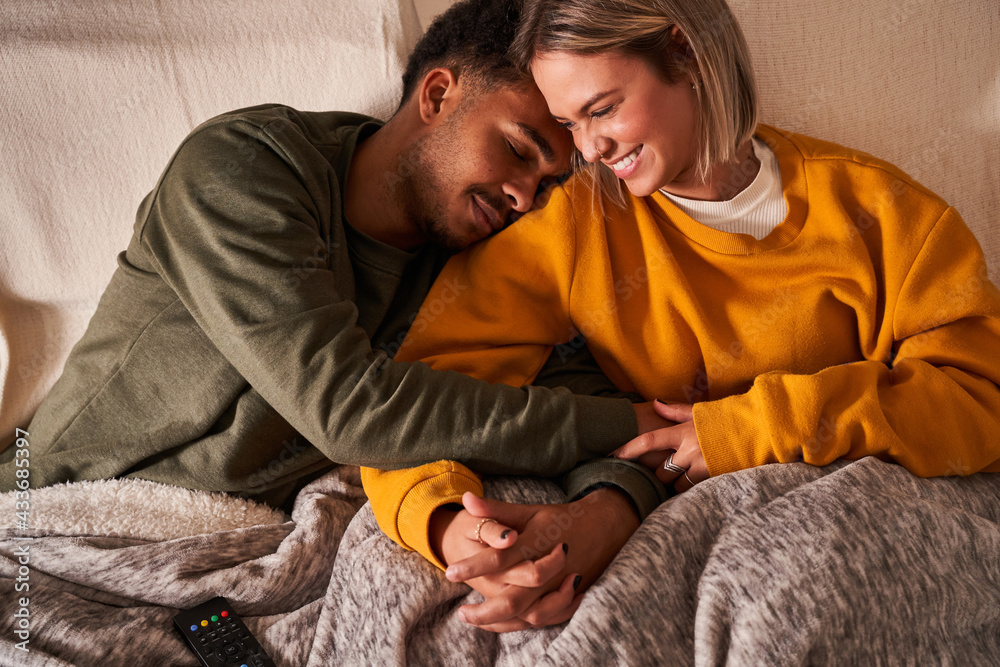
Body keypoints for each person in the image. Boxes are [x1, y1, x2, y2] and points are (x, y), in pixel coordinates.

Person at [362, 0, 1000, 633]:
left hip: (857, 516)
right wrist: (458, 529)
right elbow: (412, 400)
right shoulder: (575, 224)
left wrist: (752, 426)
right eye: (568, 122)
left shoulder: (883, 213)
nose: (589, 146)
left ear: (684, 52)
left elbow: (983, 397)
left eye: (602, 109)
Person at [0, 0, 670, 572]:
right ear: (439, 95)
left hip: (253, 554)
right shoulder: (245, 167)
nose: (527, 198)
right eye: (520, 150)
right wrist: (622, 422)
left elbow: (588, 395)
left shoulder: (489, 257)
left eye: (552, 182)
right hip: (57, 517)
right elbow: (349, 407)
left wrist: (600, 510)